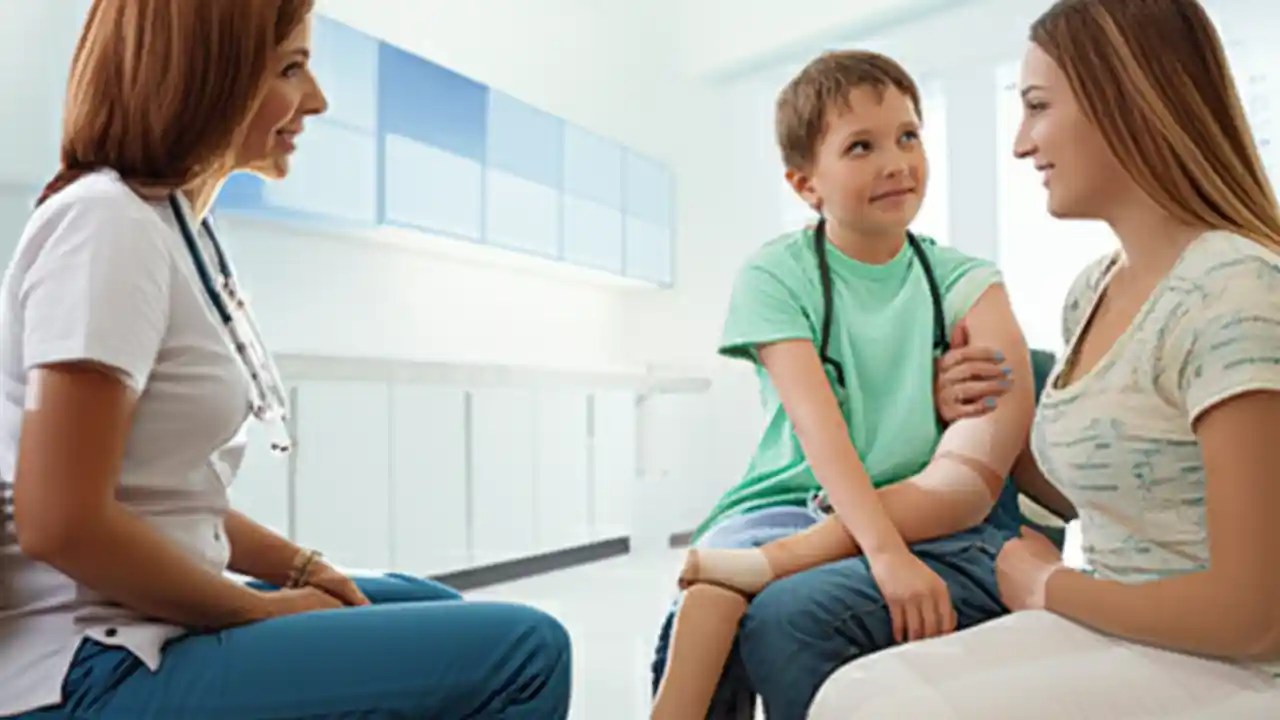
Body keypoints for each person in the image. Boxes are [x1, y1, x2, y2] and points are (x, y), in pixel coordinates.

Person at [0, 2, 571, 718]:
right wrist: (261, 612)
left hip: (140, 628)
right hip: (93, 665)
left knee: (427, 602)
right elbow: (61, 521)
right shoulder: (105, 225)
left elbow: (163, 498)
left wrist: (303, 570)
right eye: (291, 69)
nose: (318, 99)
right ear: (208, 78)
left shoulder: (169, 226)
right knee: (527, 650)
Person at [809, 1, 1280, 717]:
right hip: (1128, 632)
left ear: (1124, 97)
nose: (1022, 145)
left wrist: (1047, 585)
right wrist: (956, 412)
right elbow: (1122, 478)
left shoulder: (1236, 290)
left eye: (1036, 107)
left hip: (1239, 666)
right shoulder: (1096, 288)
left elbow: (1254, 616)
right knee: (853, 694)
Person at [648, 50, 1037, 720]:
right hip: (790, 500)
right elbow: (818, 429)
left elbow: (1004, 410)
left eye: (908, 136)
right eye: (861, 146)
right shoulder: (777, 275)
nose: (895, 162)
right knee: (710, 596)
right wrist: (884, 555)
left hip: (918, 505)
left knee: (762, 602)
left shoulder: (964, 278)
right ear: (806, 184)